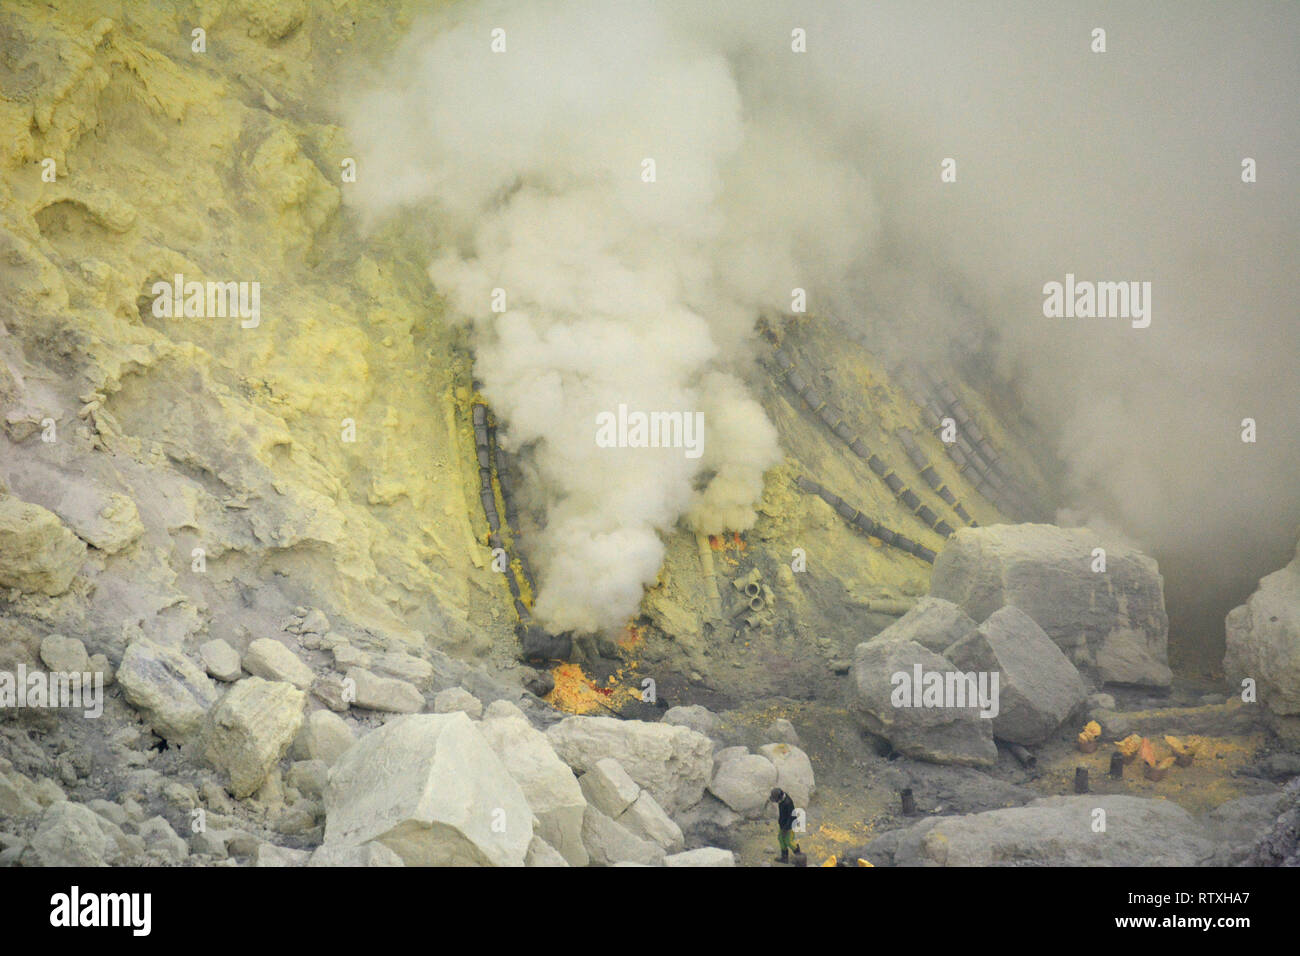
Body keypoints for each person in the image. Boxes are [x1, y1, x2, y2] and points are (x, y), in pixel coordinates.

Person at [770, 787, 800, 863]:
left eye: (776, 800)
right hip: (783, 824)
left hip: (789, 826)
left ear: (779, 798)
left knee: (789, 841)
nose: (776, 802)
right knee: (781, 839)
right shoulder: (782, 800)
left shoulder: (788, 803)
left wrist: (786, 829)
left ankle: (799, 856)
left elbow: (792, 817)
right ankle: (784, 858)